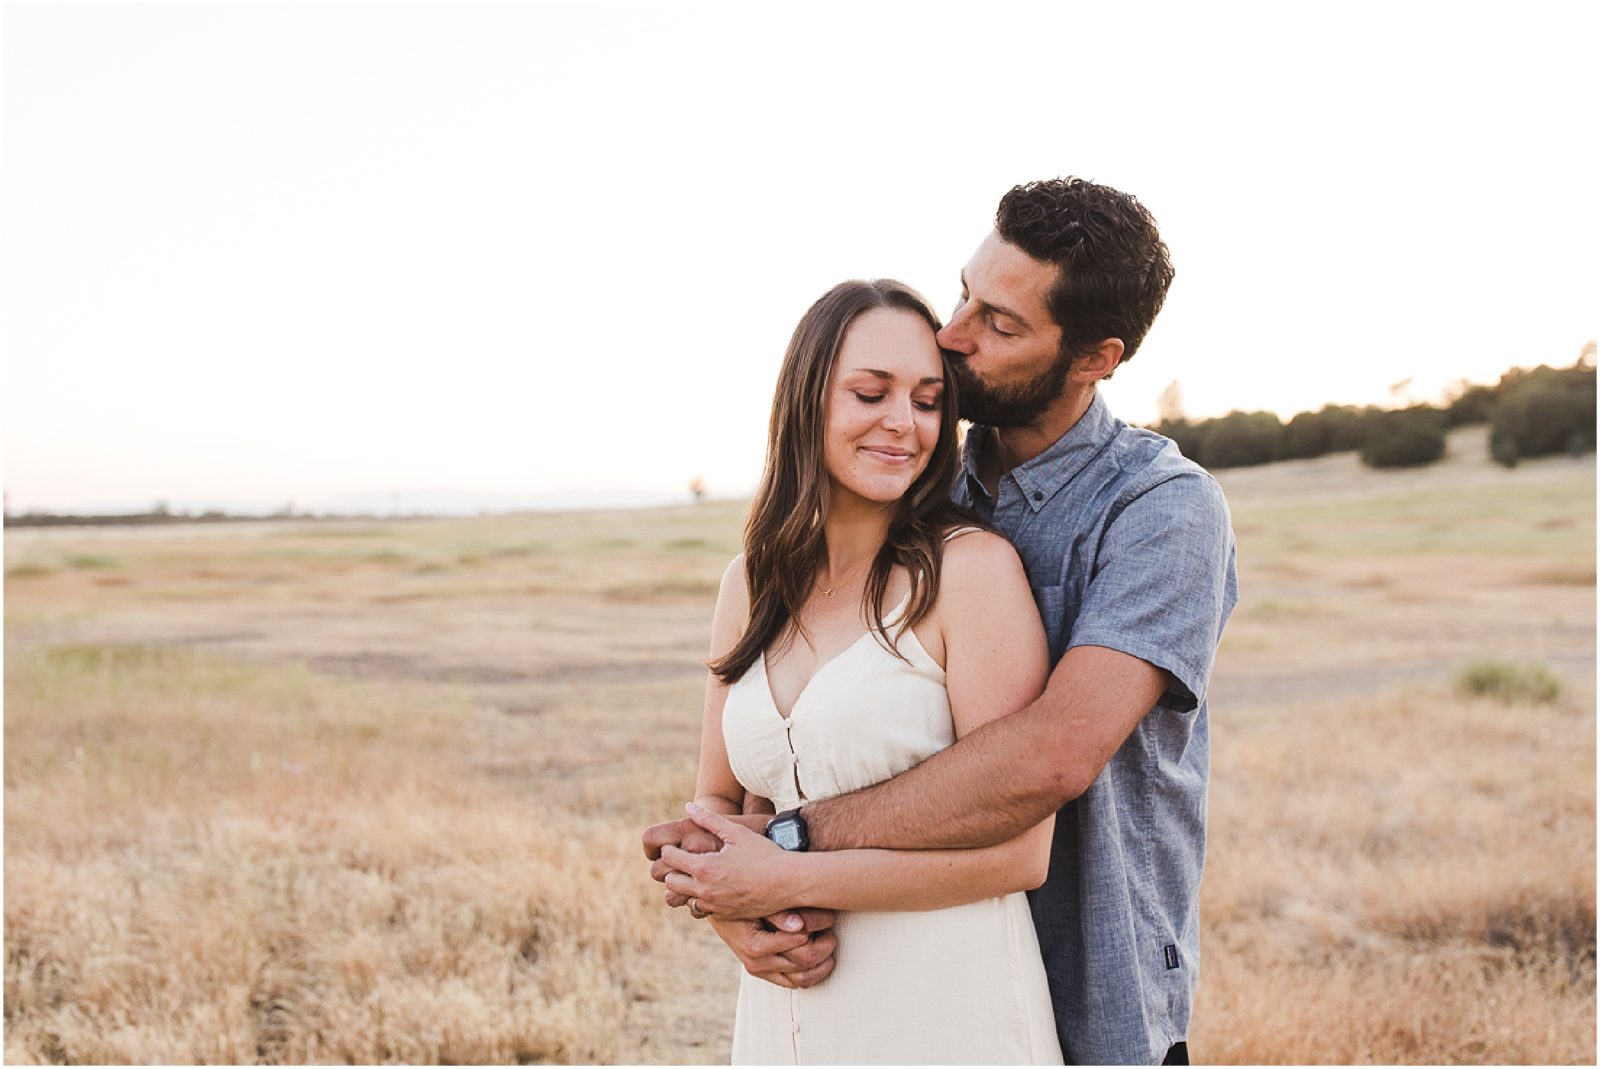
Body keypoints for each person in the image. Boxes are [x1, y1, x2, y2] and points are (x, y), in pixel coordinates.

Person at [645, 178, 1238, 1065]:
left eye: (999, 323)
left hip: (1085, 985)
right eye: (965, 292)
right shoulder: (915, 486)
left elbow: (1051, 756)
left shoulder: (1160, 508)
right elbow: (771, 779)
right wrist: (733, 892)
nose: (954, 334)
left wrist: (788, 845)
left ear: (1094, 357)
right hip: (836, 974)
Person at [655, 277, 1066, 1064]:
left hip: (949, 1012)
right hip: (785, 1013)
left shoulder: (971, 572)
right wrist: (731, 912)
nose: (903, 422)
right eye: (870, 393)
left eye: (927, 400)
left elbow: (1021, 854)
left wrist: (785, 879)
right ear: (806, 401)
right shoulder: (750, 583)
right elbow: (719, 801)